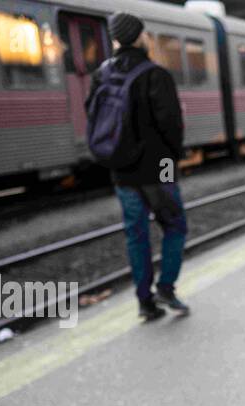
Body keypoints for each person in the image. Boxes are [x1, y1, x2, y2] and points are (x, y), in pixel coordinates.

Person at [90, 12, 191, 322]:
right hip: (159, 167)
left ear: (116, 39)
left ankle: (144, 302)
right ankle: (166, 288)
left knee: (136, 235)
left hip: (121, 171)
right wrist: (172, 159)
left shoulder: (101, 75)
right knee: (174, 225)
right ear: (138, 37)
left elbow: (93, 117)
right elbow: (172, 125)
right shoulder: (155, 75)